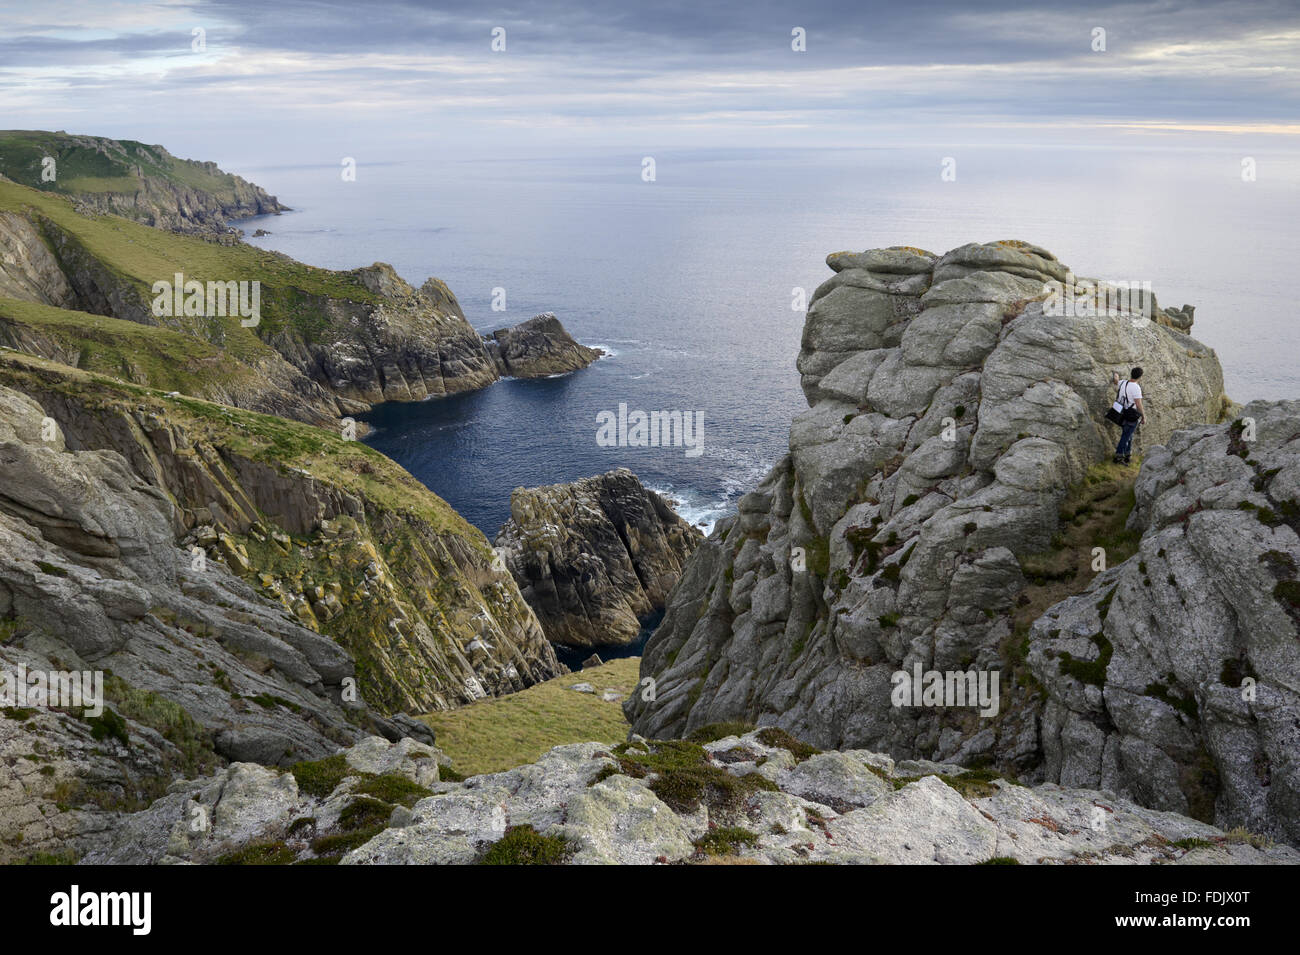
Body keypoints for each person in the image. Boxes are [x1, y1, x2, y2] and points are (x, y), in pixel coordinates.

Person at [1111, 367, 1145, 464]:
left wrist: (1115, 374)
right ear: (1140, 377)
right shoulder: (1136, 387)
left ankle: (1127, 455)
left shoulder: (1123, 383)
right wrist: (1143, 416)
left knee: (1129, 434)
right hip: (1131, 415)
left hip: (1122, 413)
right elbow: (1138, 404)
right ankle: (1118, 457)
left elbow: (1116, 381)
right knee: (1126, 436)